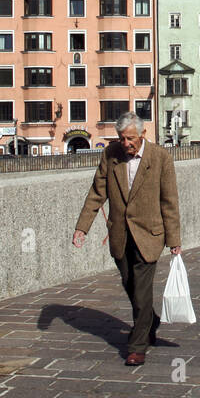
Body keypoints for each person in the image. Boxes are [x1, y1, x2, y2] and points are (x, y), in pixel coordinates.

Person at [73, 113, 182, 366]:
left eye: (130, 138)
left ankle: (137, 345)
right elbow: (97, 193)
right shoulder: (110, 155)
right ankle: (150, 321)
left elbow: (170, 202)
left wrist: (174, 239)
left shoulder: (161, 158)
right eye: (122, 138)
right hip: (120, 234)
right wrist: (82, 228)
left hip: (150, 235)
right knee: (130, 285)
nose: (126, 143)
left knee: (142, 293)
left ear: (143, 135)